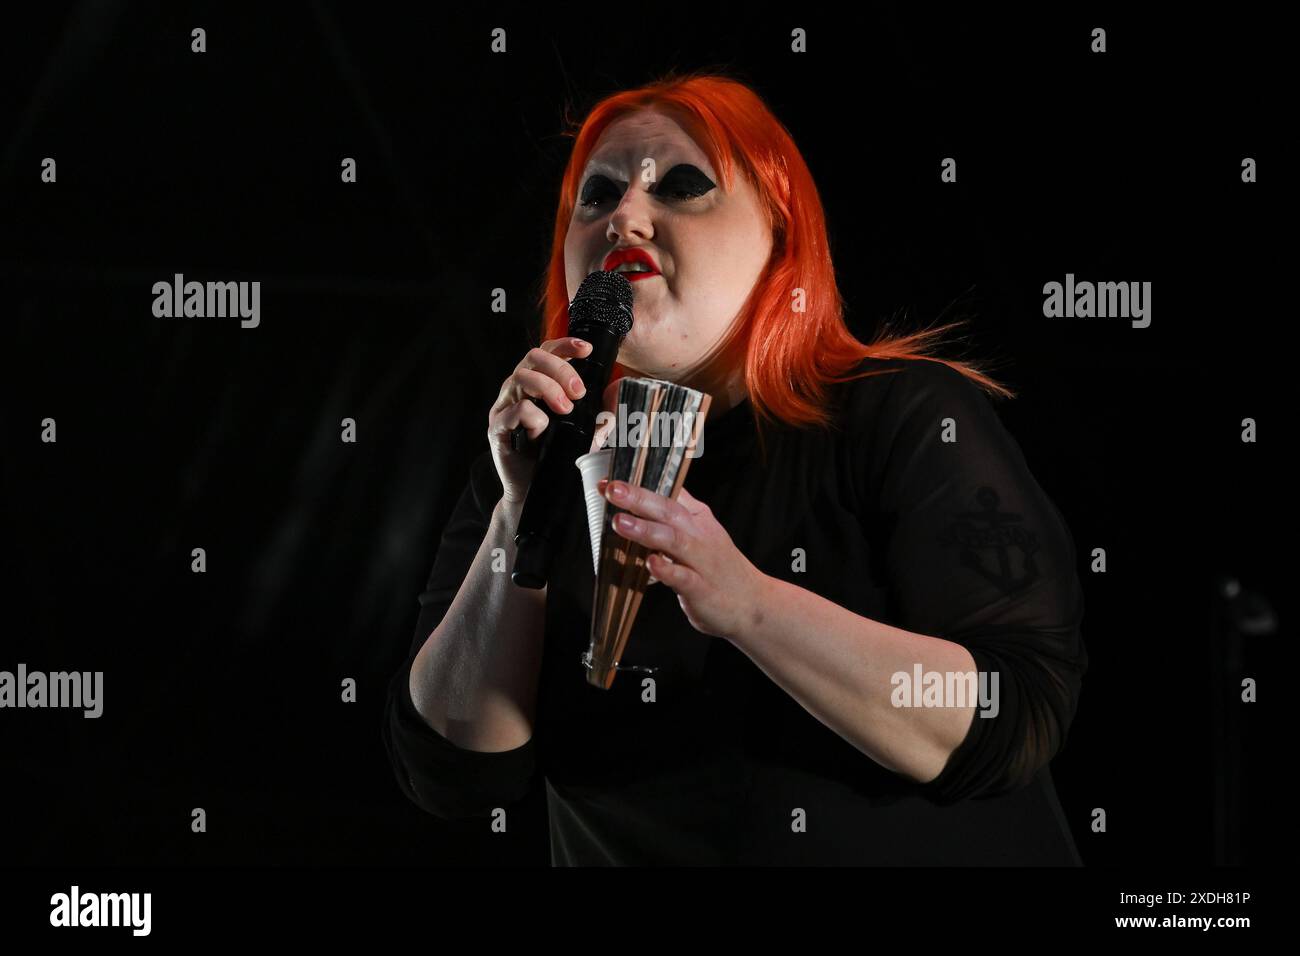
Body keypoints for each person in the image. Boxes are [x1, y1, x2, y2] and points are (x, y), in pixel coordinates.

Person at [382, 70, 1088, 865]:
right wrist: (516, 518)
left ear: (779, 237)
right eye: (597, 195)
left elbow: (1012, 709)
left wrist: (747, 602)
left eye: (682, 186)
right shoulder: (533, 456)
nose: (626, 218)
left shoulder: (901, 415)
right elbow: (453, 772)